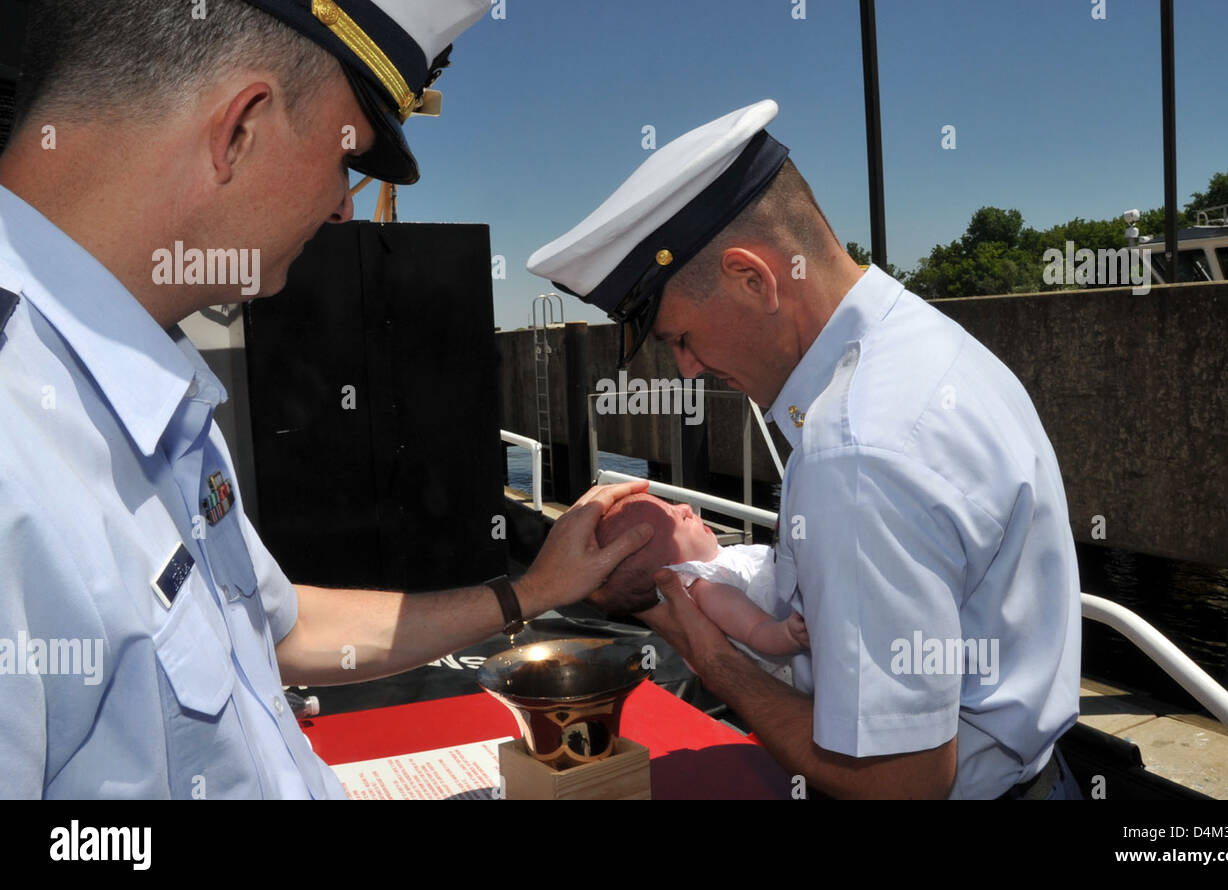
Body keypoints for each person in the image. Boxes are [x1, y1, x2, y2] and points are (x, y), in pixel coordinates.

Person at [0, 0, 651, 799]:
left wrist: (533, 590)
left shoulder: (144, 379)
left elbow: (281, 629)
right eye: (347, 157)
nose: (343, 204)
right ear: (240, 126)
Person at [527, 99, 1083, 799]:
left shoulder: (856, 451)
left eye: (679, 339)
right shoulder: (924, 345)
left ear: (753, 279)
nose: (688, 371)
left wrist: (711, 656)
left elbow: (900, 785)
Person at [594, 492, 809, 659]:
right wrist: (789, 634)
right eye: (677, 518)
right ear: (674, 568)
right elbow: (756, 630)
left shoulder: (718, 564)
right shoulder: (710, 590)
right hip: (793, 635)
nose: (686, 507)